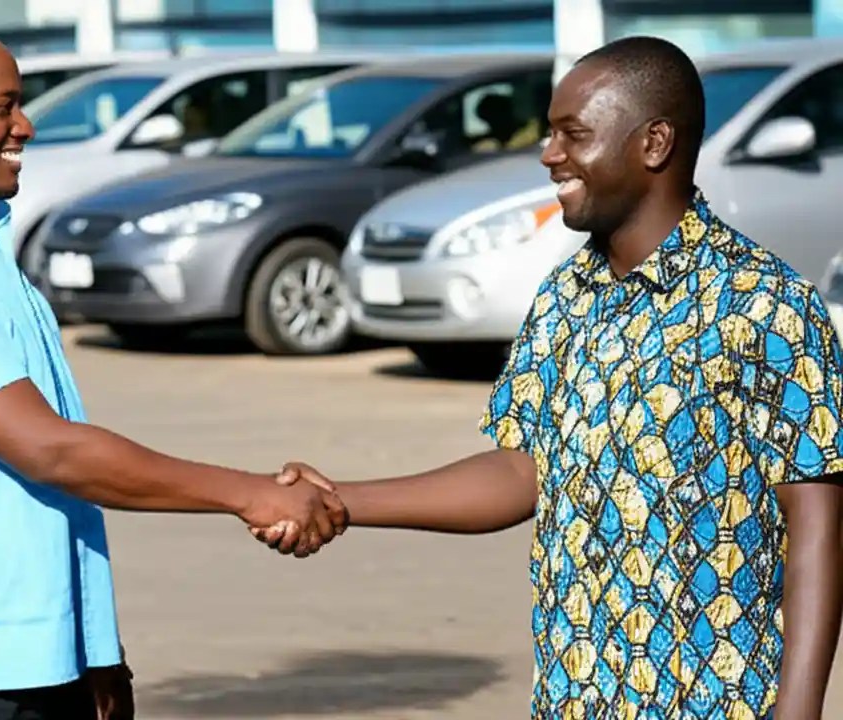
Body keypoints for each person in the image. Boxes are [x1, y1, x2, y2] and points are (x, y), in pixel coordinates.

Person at [265, 36, 843, 719]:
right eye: (549, 134)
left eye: (573, 134)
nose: (549, 154)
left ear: (654, 143)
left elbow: (818, 525)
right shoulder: (565, 297)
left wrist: (798, 712)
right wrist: (340, 501)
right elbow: (518, 473)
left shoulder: (764, 302)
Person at [0, 18, 347, 720]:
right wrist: (251, 494)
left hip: (44, 663)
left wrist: (95, 649)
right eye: (0, 107)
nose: (25, 126)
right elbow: (53, 452)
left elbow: (52, 499)